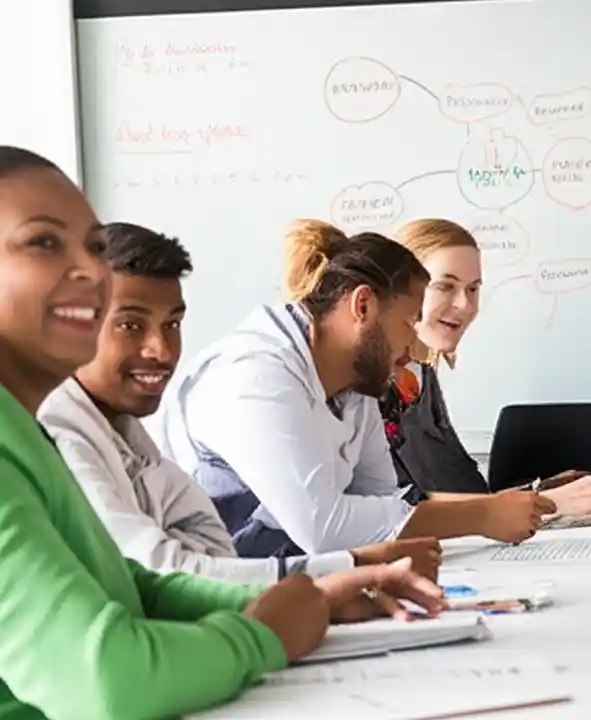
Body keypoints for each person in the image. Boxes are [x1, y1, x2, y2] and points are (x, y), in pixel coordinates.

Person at [0, 146, 442, 719]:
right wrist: (266, 635)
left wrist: (310, 598)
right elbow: (108, 680)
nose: (88, 274)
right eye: (44, 242)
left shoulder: (32, 428)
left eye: (91, 246)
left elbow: (137, 586)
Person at [40, 222, 442, 584]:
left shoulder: (130, 435)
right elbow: (166, 575)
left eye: (173, 325)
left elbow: (213, 558)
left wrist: (340, 581)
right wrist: (344, 572)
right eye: (131, 325)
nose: (161, 350)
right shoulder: (56, 433)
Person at [155, 220, 554, 560]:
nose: (411, 347)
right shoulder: (255, 376)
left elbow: (386, 501)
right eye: (408, 323)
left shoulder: (356, 385)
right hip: (212, 593)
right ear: (363, 307)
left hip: (292, 581)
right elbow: (322, 527)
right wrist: (482, 517)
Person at [378, 218, 591, 514]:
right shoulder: (369, 389)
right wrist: (547, 503)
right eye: (445, 286)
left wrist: (536, 493)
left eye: (473, 289)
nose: (465, 304)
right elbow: (396, 510)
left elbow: (461, 489)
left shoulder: (423, 377)